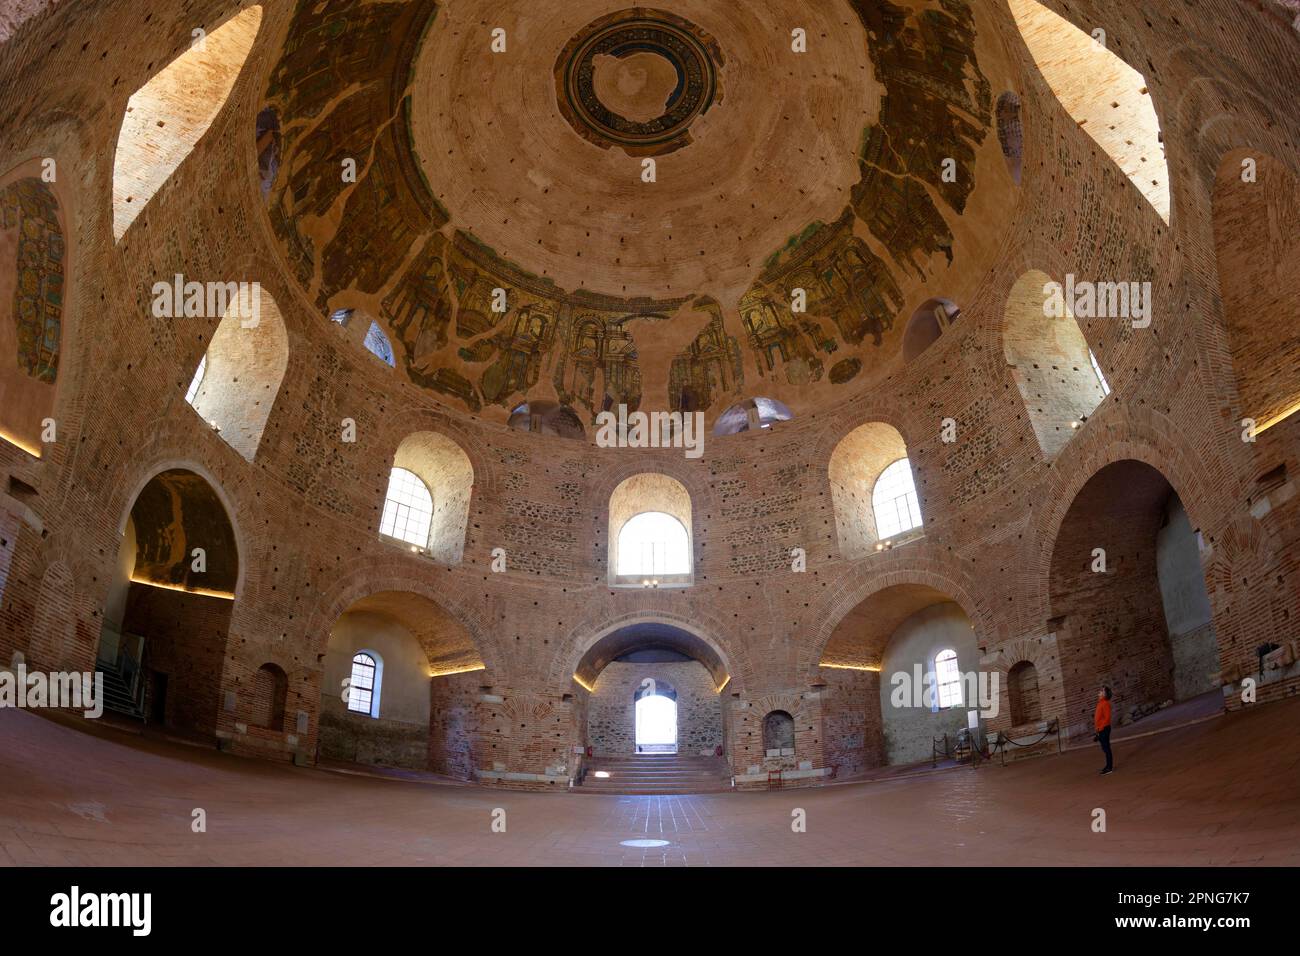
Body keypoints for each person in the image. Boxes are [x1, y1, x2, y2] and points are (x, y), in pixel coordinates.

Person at [1094, 686, 1114, 775]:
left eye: (1102, 690)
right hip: (1101, 729)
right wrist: (1097, 731)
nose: (1099, 691)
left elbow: (1107, 718)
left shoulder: (1105, 703)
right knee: (1105, 748)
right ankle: (1107, 766)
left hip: (1104, 728)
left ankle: (1109, 767)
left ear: (1105, 694)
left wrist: (1101, 728)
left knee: (1106, 748)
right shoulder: (1100, 703)